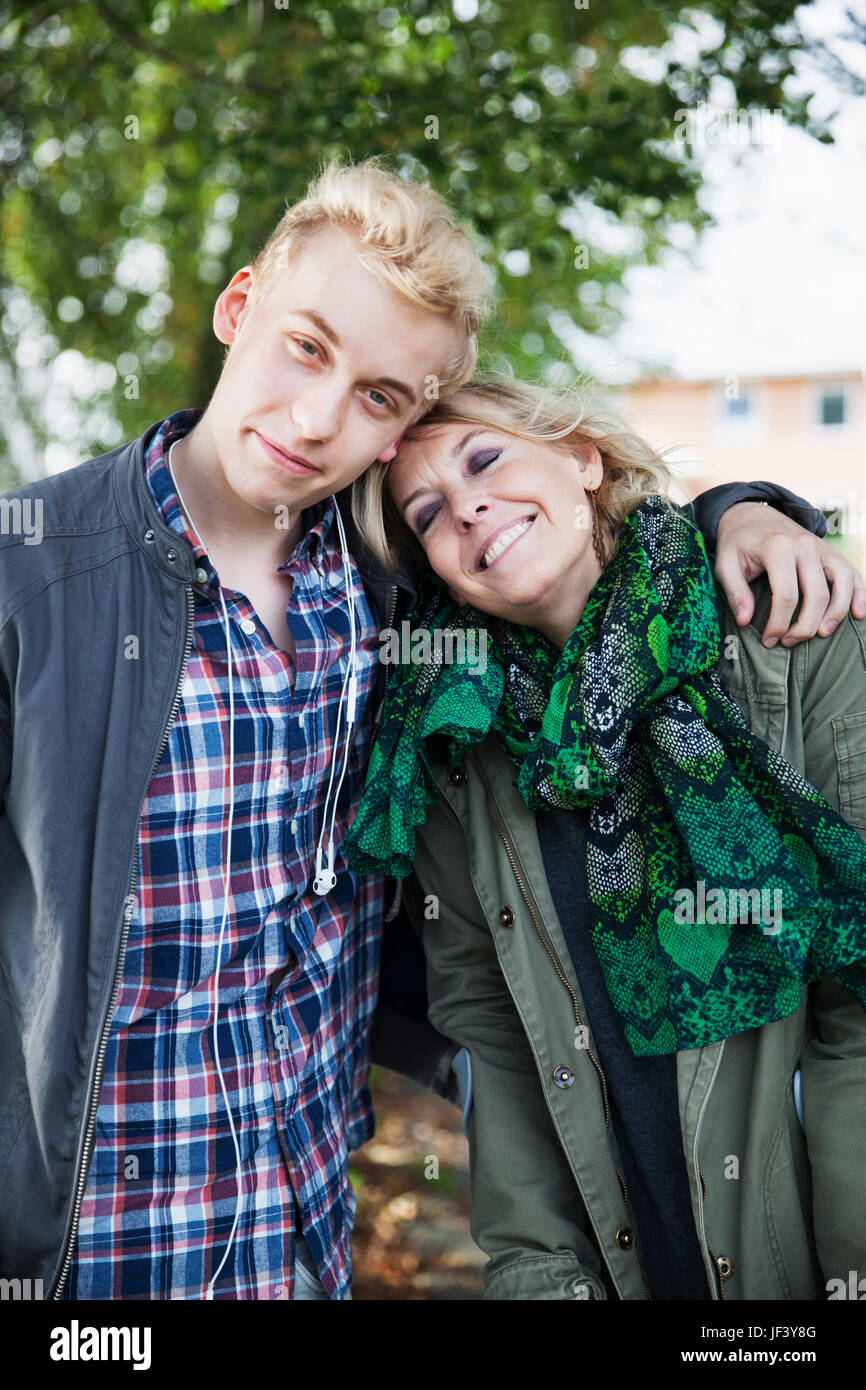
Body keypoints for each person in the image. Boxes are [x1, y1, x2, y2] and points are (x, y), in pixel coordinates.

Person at [0, 160, 859, 1302]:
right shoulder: (32, 578)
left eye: (379, 397)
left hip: (298, 1253)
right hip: (77, 1275)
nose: (316, 420)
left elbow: (581, 579)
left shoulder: (388, 618)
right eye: (306, 347)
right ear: (239, 305)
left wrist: (742, 511)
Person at [347, 375, 866, 1301]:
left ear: (583, 459)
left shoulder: (791, 633)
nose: (467, 506)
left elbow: (857, 1008)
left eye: (486, 458)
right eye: (427, 511)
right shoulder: (451, 743)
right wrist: (537, 1277)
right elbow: (492, 1033)